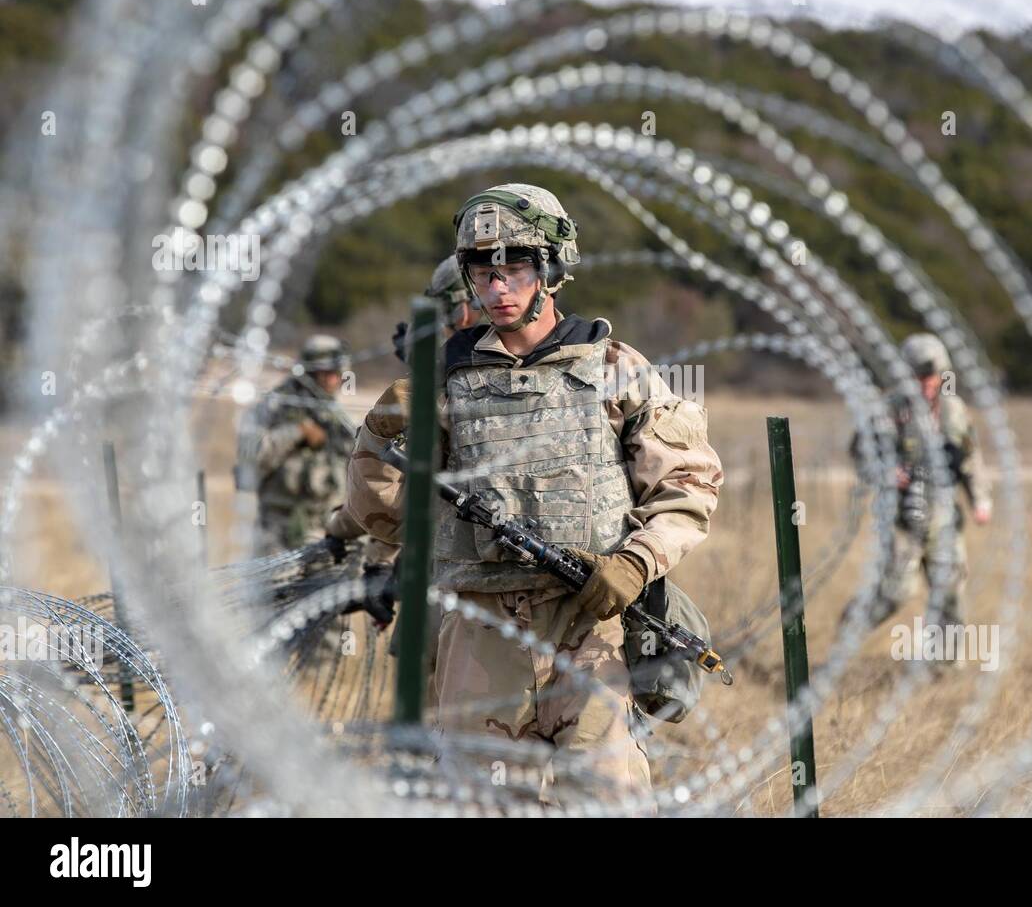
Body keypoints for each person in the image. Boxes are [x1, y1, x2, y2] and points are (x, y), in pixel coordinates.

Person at [345, 183, 724, 810]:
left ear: (550, 269)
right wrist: (384, 428)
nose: (497, 289)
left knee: (606, 795)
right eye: (482, 273)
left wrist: (634, 564)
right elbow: (379, 510)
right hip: (480, 629)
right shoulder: (440, 384)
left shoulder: (613, 369)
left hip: (589, 621)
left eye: (514, 269)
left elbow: (687, 482)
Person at [861, 332, 992, 637]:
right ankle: (850, 634)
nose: (927, 383)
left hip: (943, 515)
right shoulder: (889, 410)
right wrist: (886, 471)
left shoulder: (953, 411)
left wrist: (980, 501)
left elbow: (971, 459)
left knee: (949, 594)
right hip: (901, 519)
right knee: (896, 592)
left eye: (931, 376)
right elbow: (862, 451)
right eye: (919, 377)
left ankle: (946, 668)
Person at [236, 335, 358, 555]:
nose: (334, 381)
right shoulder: (275, 406)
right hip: (277, 530)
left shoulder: (335, 414)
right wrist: (297, 432)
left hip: (323, 529)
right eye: (328, 374)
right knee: (276, 587)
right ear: (310, 373)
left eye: (338, 374)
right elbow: (250, 457)